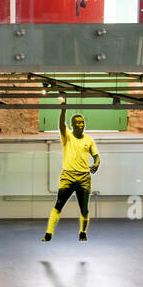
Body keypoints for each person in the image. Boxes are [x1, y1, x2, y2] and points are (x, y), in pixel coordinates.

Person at [42, 97, 100, 242]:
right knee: (59, 204)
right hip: (68, 176)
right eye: (78, 123)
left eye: (82, 123)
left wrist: (97, 163)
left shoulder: (89, 139)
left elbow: (96, 156)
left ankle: (83, 232)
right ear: (73, 125)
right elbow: (61, 124)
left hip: (84, 177)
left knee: (84, 208)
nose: (81, 125)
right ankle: (49, 233)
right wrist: (63, 108)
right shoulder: (67, 137)